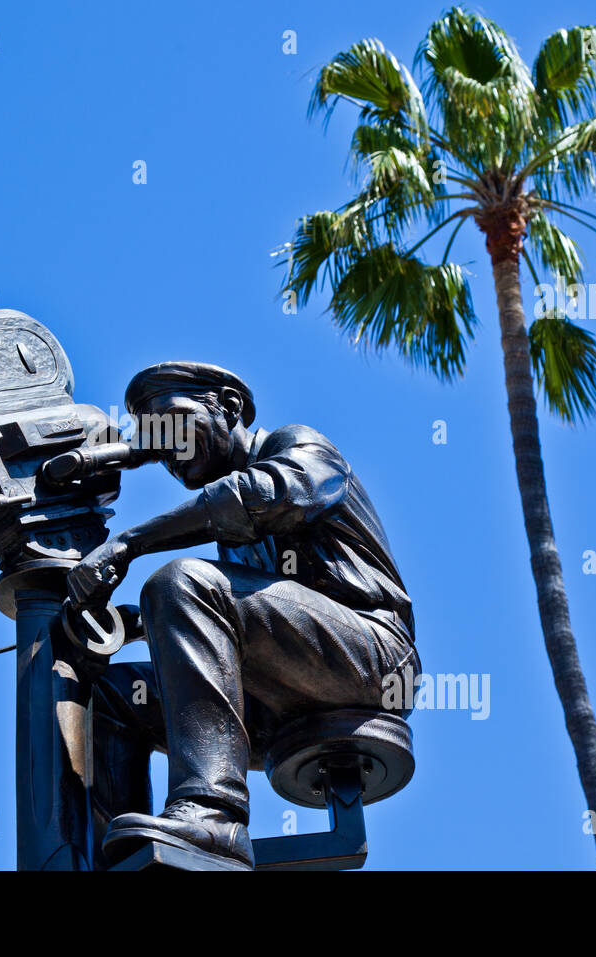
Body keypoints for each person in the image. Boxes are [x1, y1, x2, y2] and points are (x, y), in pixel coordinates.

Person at [67, 361, 420, 870]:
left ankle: (212, 816)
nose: (166, 450)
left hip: (376, 662)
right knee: (114, 695)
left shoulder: (296, 447)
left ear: (228, 408)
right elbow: (252, 615)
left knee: (182, 581)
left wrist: (129, 542)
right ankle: (122, 856)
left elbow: (266, 496)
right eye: (154, 441)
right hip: (278, 694)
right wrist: (132, 624)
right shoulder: (230, 542)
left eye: (173, 423)